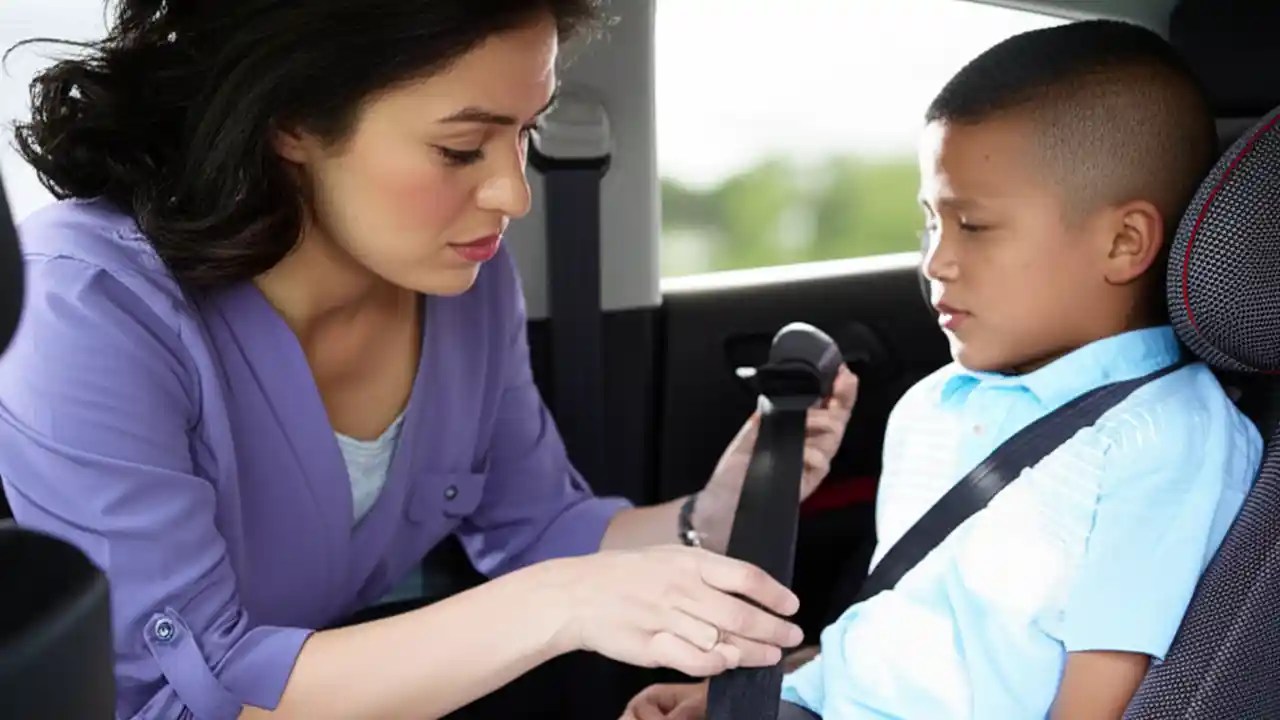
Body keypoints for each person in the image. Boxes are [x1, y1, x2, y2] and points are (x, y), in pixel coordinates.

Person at [0, 2, 860, 719]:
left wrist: (708, 517)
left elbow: (540, 530)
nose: (513, 193)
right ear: (292, 120)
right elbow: (186, 698)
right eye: (460, 149)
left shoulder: (460, 282)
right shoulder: (89, 306)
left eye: (526, 133)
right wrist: (562, 604)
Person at [622, 19, 1263, 720]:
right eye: (931, 223)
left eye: (974, 227)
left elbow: (1100, 695)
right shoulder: (934, 405)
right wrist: (752, 696)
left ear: (1123, 242)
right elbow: (902, 636)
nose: (936, 262)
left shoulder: (1165, 440)